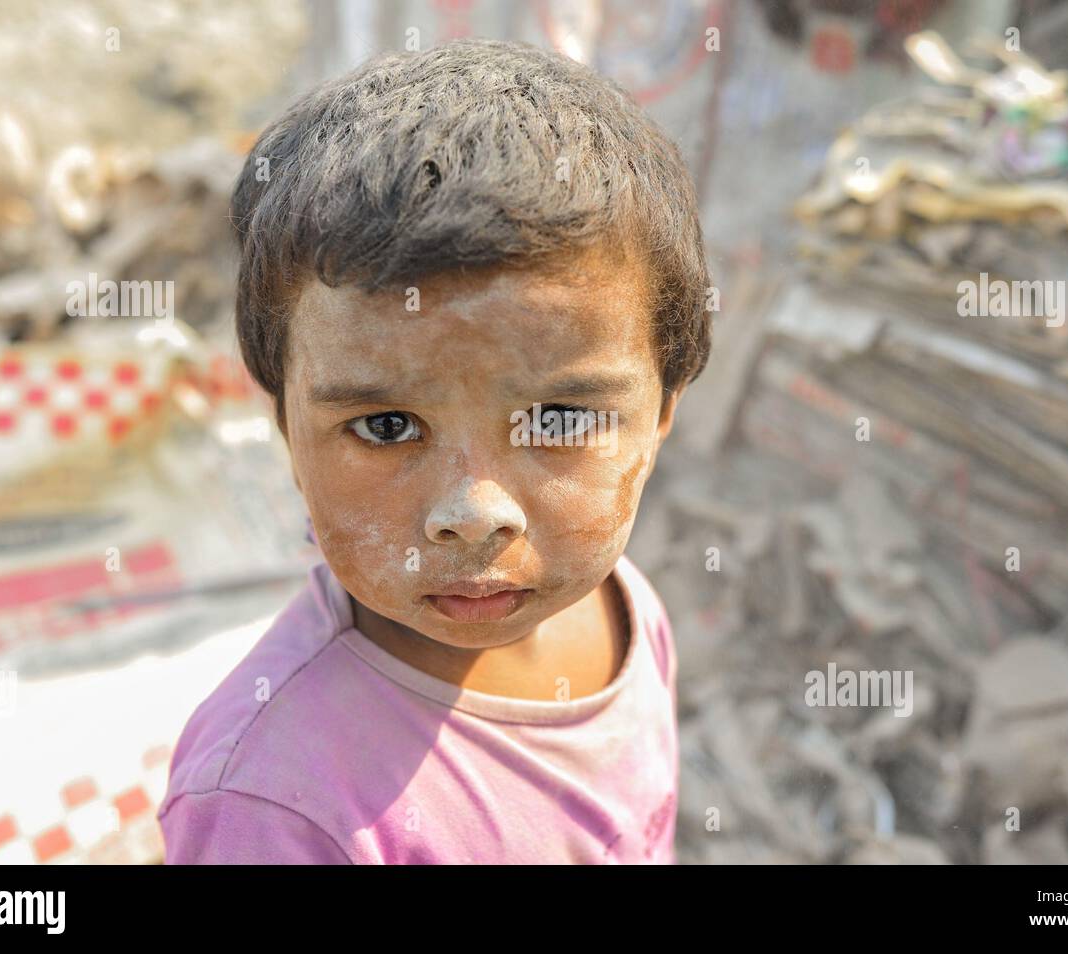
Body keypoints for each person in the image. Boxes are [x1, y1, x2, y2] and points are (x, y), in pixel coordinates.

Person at [157, 36, 712, 864]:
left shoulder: (623, 609)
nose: (472, 515)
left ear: (664, 405)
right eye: (386, 426)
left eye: (557, 420)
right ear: (285, 421)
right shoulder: (275, 803)